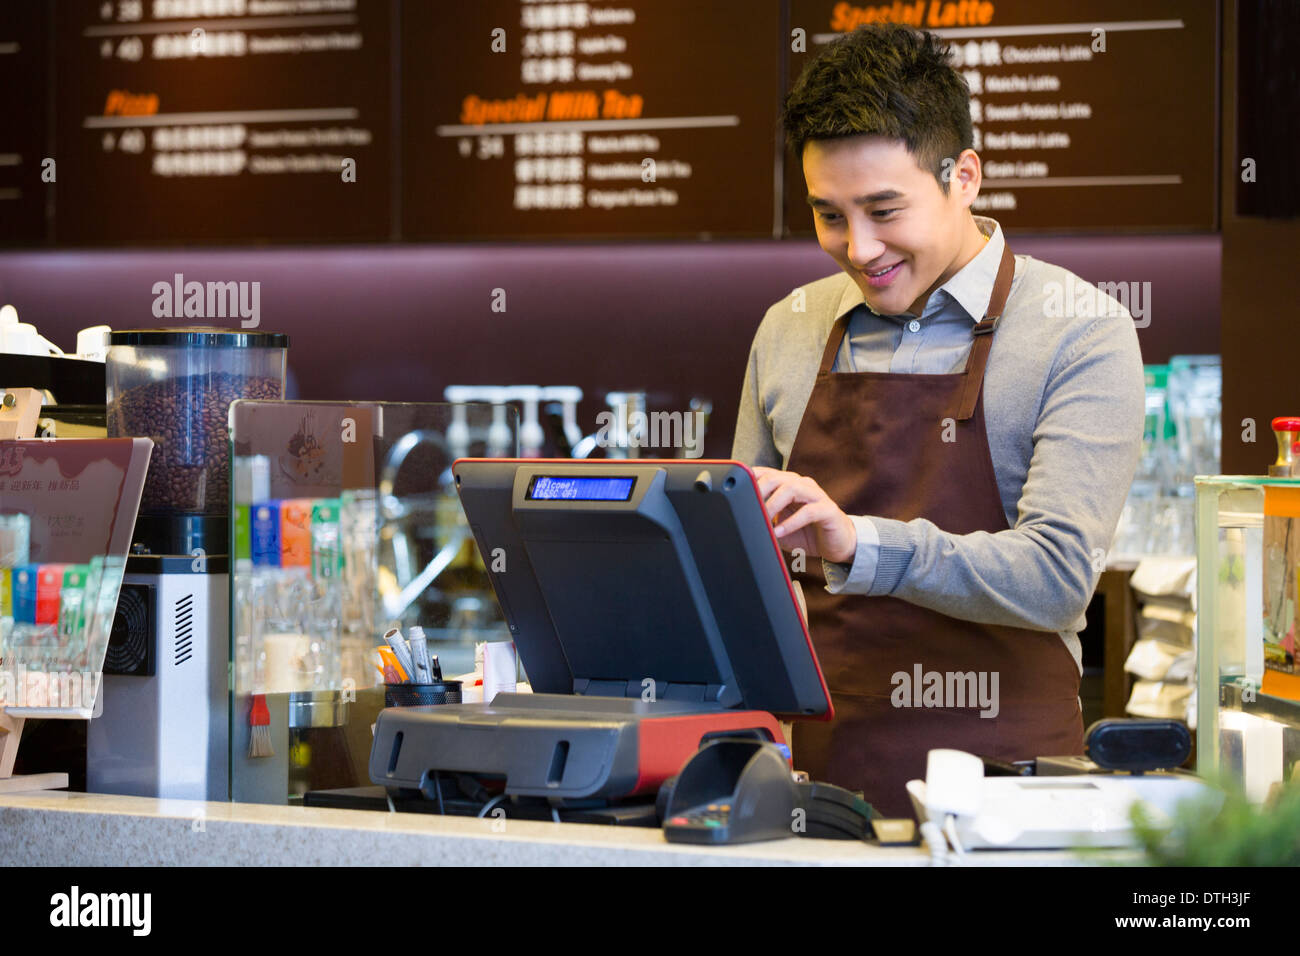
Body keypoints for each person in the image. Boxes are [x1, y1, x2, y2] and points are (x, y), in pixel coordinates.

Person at [732, 24, 1145, 817]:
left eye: (885, 209)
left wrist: (857, 542)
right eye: (829, 215)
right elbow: (747, 565)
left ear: (965, 176)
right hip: (817, 783)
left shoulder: (1078, 329)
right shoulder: (789, 327)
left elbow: (1059, 578)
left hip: (1010, 795)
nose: (859, 247)